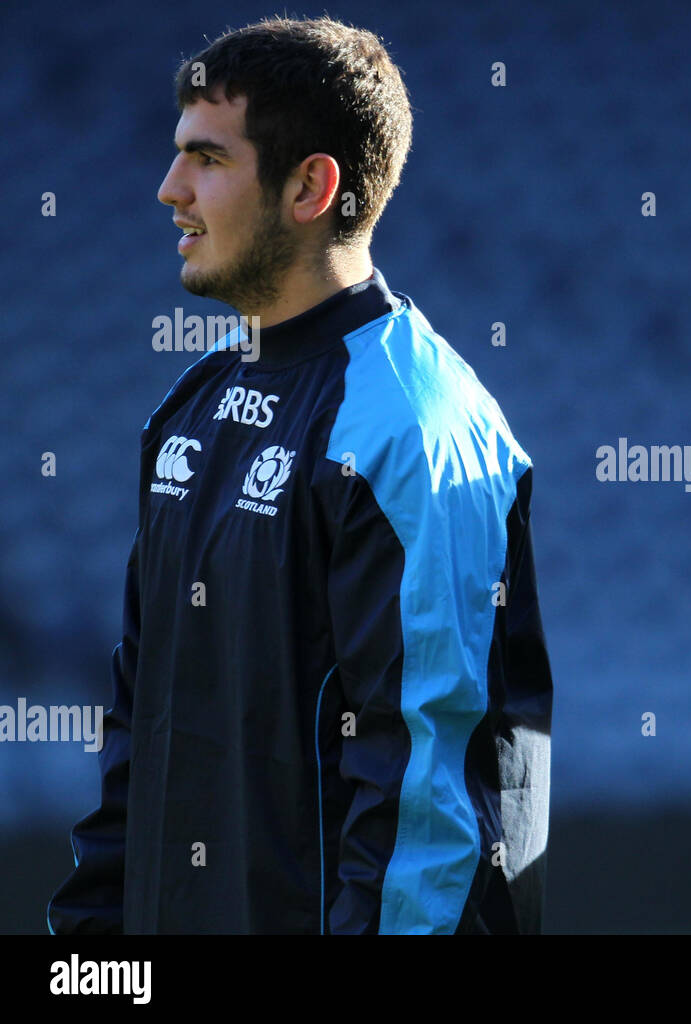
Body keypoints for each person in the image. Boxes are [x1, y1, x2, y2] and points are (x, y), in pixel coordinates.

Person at [47, 16, 552, 934]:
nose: (169, 190)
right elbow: (139, 736)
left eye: (206, 158)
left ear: (311, 186)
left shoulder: (411, 427)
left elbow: (427, 800)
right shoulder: (187, 413)